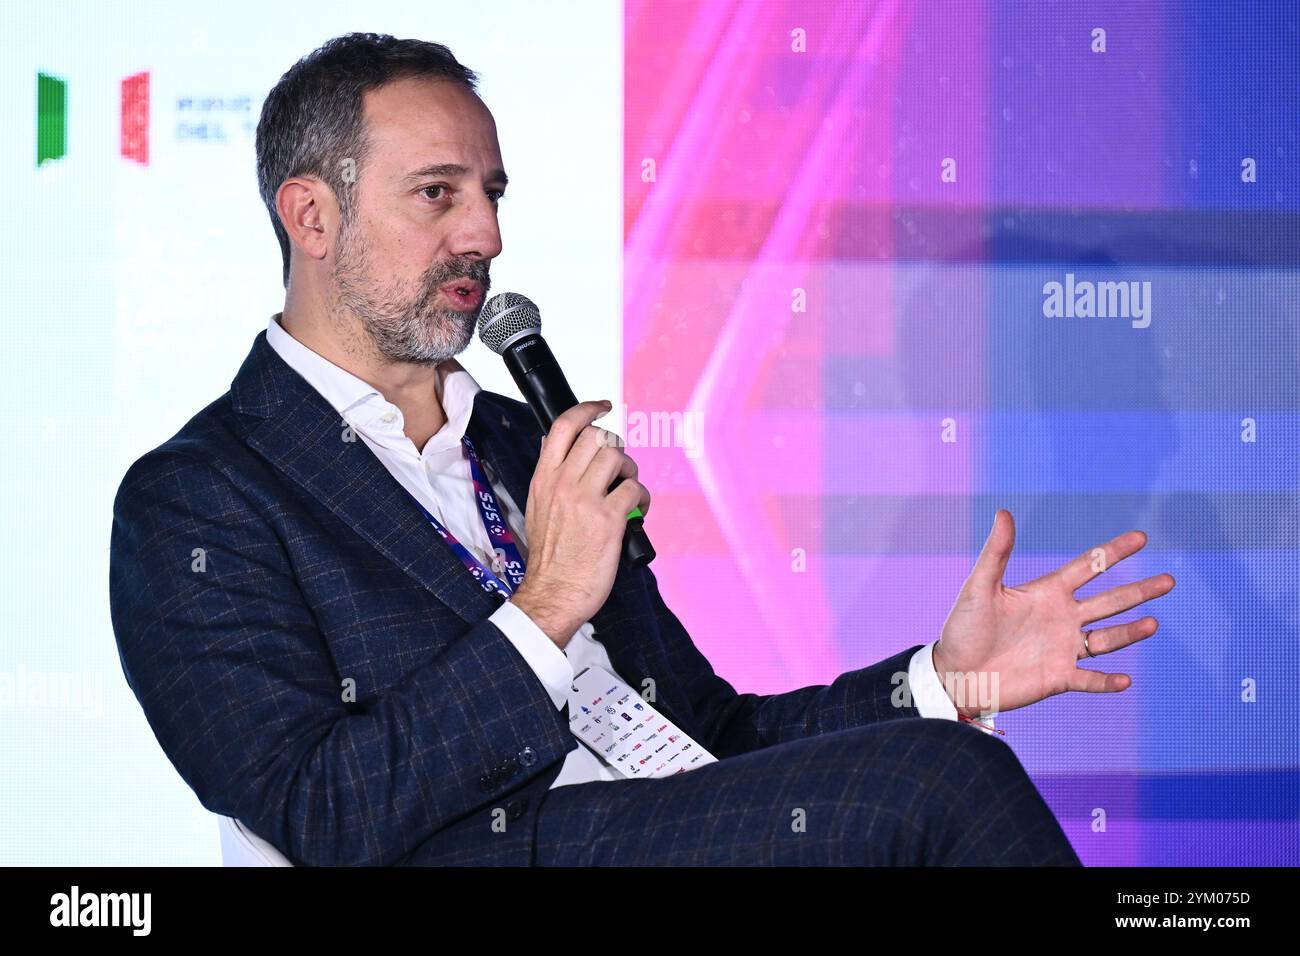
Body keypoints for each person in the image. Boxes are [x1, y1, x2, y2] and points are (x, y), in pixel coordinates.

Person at [108, 32, 1174, 866]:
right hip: (488, 849)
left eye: (491, 195)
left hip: (658, 819)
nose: (482, 234)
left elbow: (703, 729)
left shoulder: (523, 442)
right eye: (437, 192)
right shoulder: (198, 497)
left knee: (951, 753)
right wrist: (546, 604)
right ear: (312, 216)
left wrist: (939, 682)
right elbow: (318, 809)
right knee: (944, 786)